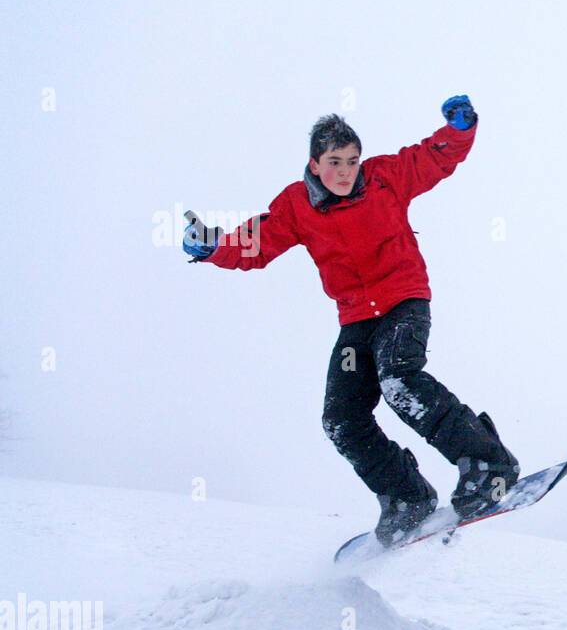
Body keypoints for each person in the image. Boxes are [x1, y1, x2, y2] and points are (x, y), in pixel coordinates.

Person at [182, 95, 518, 546]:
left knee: (399, 380)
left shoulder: (384, 177)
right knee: (340, 418)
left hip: (403, 302)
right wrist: (213, 247)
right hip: (357, 320)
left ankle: (488, 464)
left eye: (352, 161)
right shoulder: (295, 204)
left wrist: (460, 129)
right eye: (335, 162)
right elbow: (257, 243)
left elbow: (431, 160)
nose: (346, 171)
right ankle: (407, 498)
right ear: (315, 164)